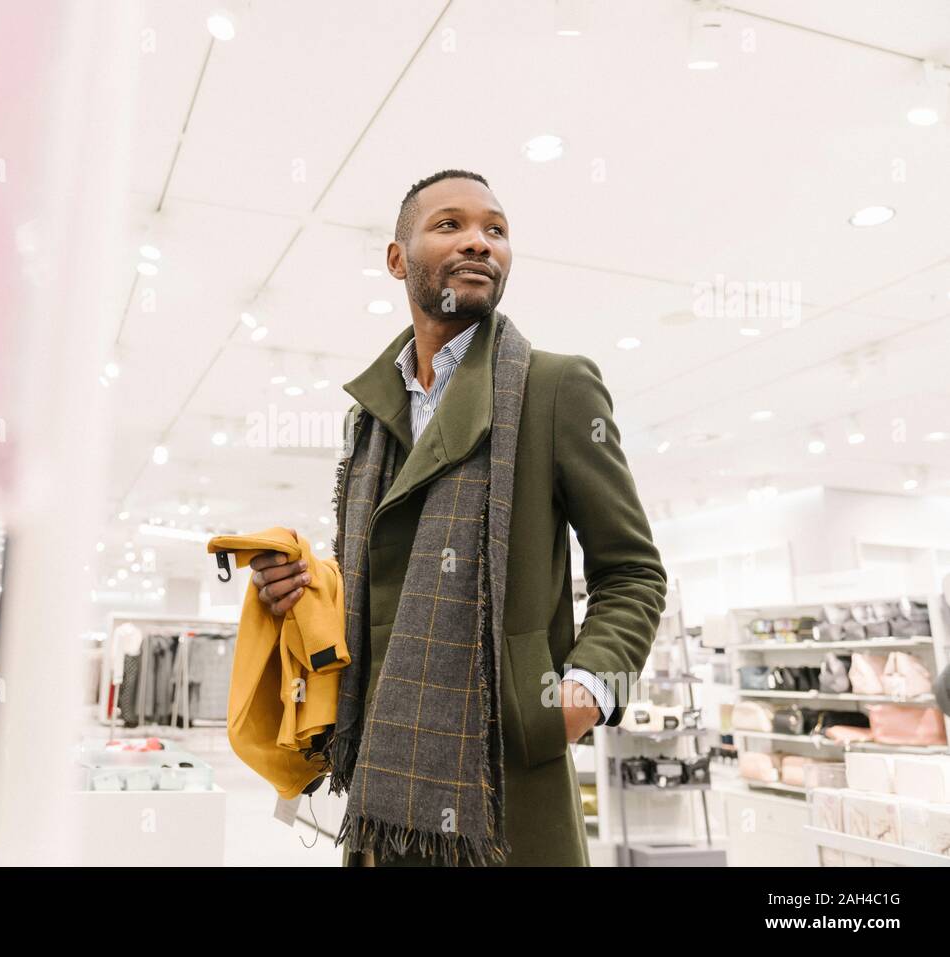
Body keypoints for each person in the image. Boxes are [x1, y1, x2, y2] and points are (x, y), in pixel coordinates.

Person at [250, 170, 667, 866]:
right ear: (396, 258)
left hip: (507, 774)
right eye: (450, 225)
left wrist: (578, 697)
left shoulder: (556, 388)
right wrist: (303, 589)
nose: (478, 241)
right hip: (383, 776)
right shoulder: (369, 419)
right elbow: (373, 581)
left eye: (495, 230)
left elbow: (634, 573)